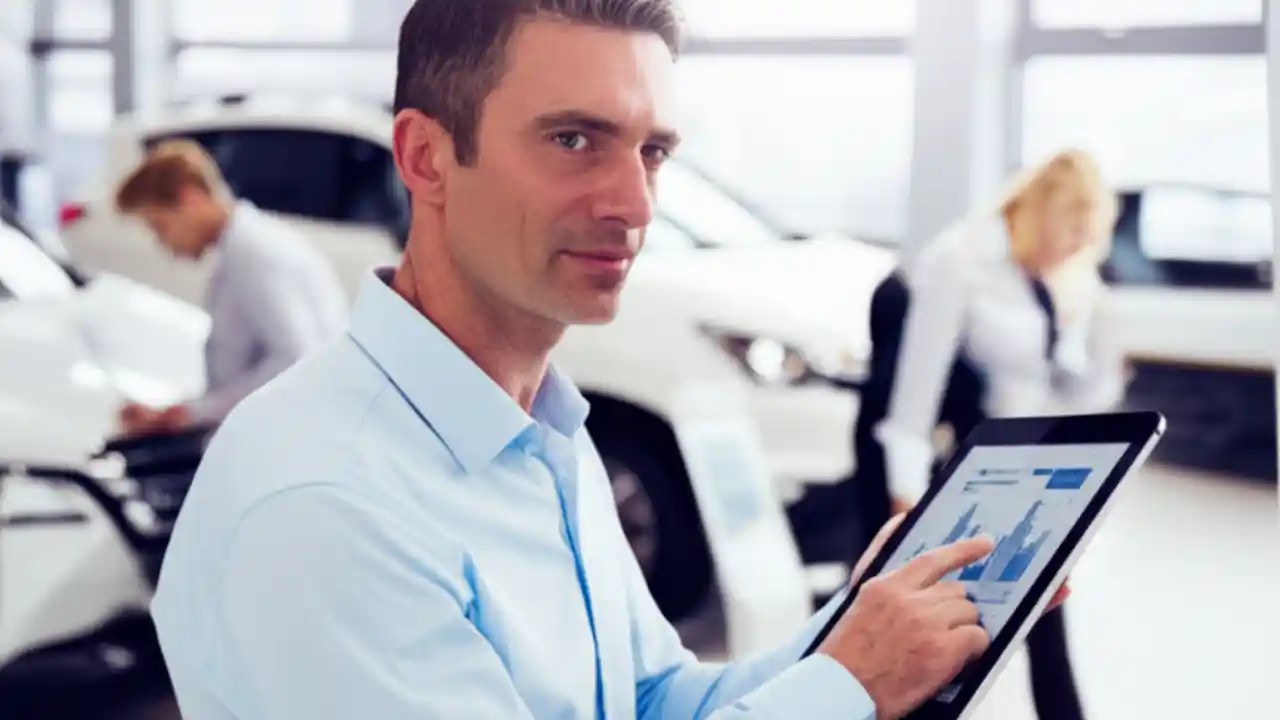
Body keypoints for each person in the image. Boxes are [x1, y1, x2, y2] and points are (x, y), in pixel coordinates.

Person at [149, 2, 1066, 718]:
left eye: (652, 150)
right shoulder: (325, 505)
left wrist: (860, 628)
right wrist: (849, 687)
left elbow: (652, 700)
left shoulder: (541, 431)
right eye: (573, 140)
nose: (634, 204)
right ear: (425, 157)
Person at [850, 149, 1123, 720]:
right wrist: (910, 515)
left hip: (1036, 466)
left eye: (1087, 239)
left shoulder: (1061, 276)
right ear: (1042, 213)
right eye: (1071, 232)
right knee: (935, 638)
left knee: (1047, 611)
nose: (1075, 249)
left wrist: (1098, 322)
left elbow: (1082, 392)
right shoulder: (959, 260)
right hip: (964, 468)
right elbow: (911, 409)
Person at [113, 140, 347, 435]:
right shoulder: (242, 248)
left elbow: (295, 361)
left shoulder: (255, 254)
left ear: (190, 198)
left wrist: (192, 413)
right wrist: (178, 413)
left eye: (160, 226)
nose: (163, 243)